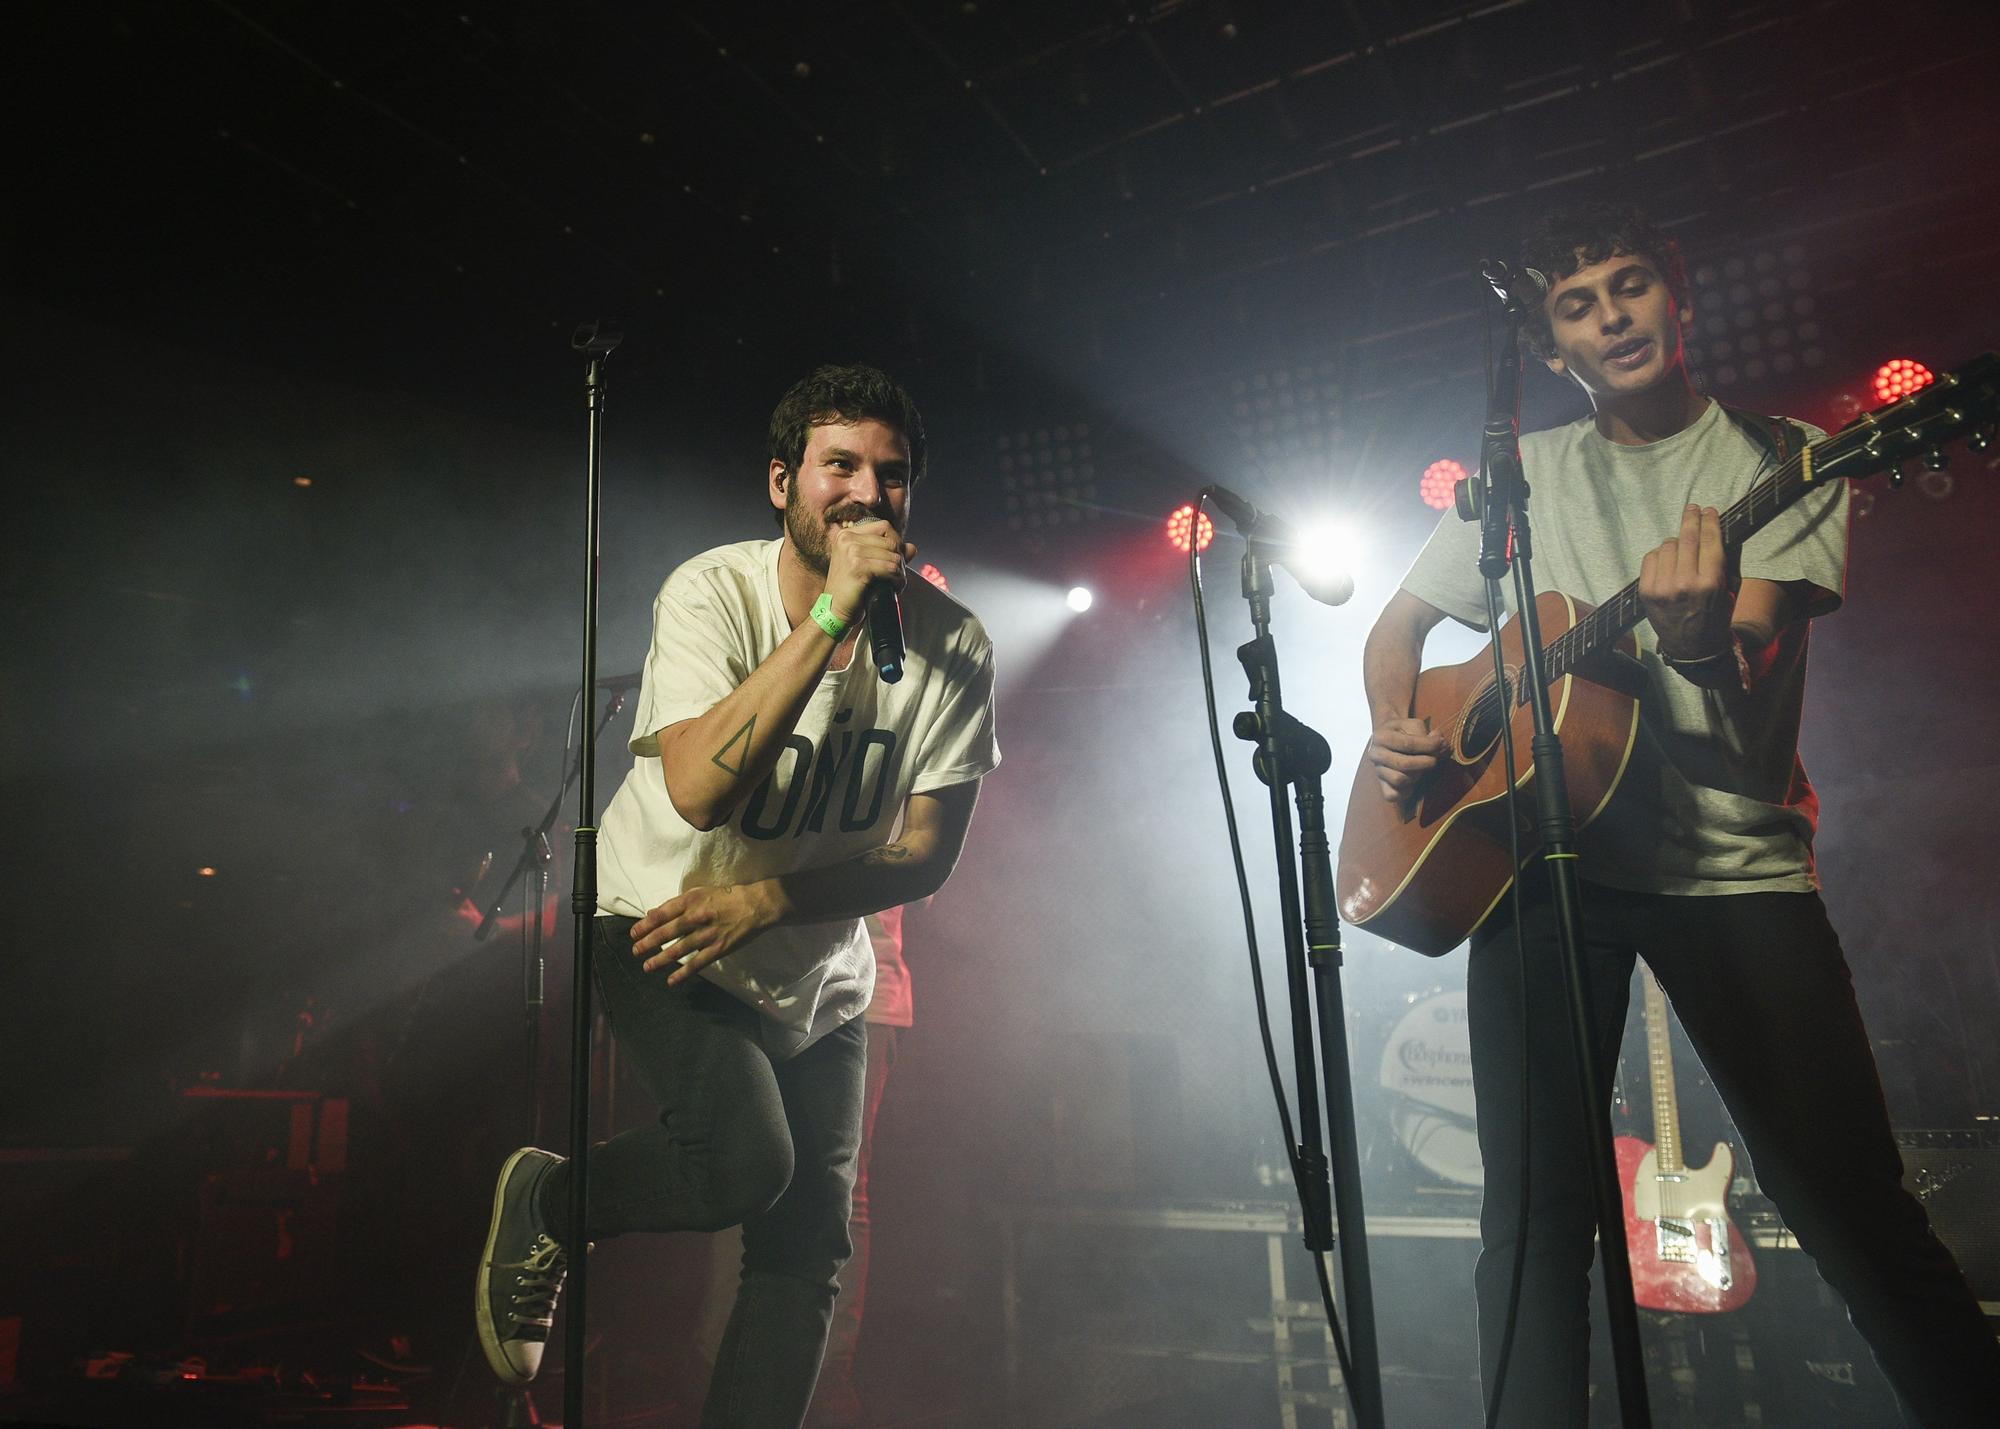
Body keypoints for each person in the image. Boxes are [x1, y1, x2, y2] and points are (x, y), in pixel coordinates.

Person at [1359, 202, 2000, 1426]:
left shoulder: (1787, 454)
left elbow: (1738, 660)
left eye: (1630, 285)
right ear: (1548, 348)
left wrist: (1700, 635)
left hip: (1730, 867)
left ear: (1679, 300)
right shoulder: (1520, 476)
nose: (1613, 315)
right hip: (1539, 863)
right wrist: (1401, 724)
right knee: (1532, 1226)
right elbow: (1397, 630)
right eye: (1579, 302)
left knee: (1847, 1203)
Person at [473, 364, 1000, 1428]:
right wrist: (832, 616)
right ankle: (549, 1199)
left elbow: (927, 855)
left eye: (889, 476)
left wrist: (770, 902)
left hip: (811, 961)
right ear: (781, 483)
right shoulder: (711, 591)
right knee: (745, 1163)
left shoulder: (953, 644)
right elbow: (699, 789)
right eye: (837, 466)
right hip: (661, 922)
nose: (864, 494)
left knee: (807, 1253)